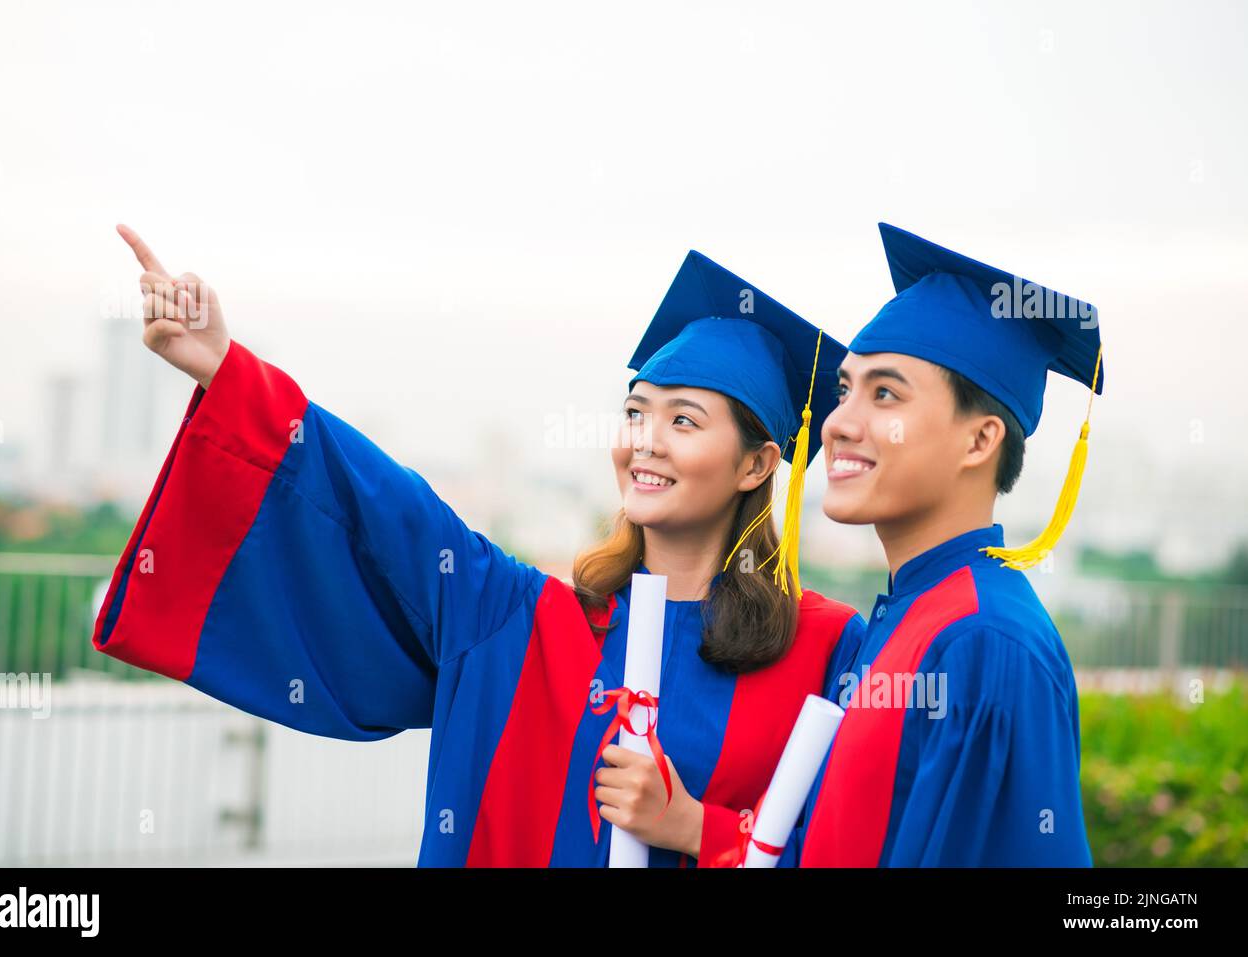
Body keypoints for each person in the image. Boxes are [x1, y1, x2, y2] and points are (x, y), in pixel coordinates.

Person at [92, 225, 865, 867]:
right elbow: (386, 506)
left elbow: (867, 846)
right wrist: (228, 369)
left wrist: (694, 826)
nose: (645, 443)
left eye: (685, 421)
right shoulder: (525, 620)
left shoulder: (826, 648)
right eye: (636, 413)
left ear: (759, 463)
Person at [781, 223, 1097, 867]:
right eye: (845, 389)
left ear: (979, 442)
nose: (838, 422)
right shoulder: (908, 614)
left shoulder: (985, 644)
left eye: (885, 394)